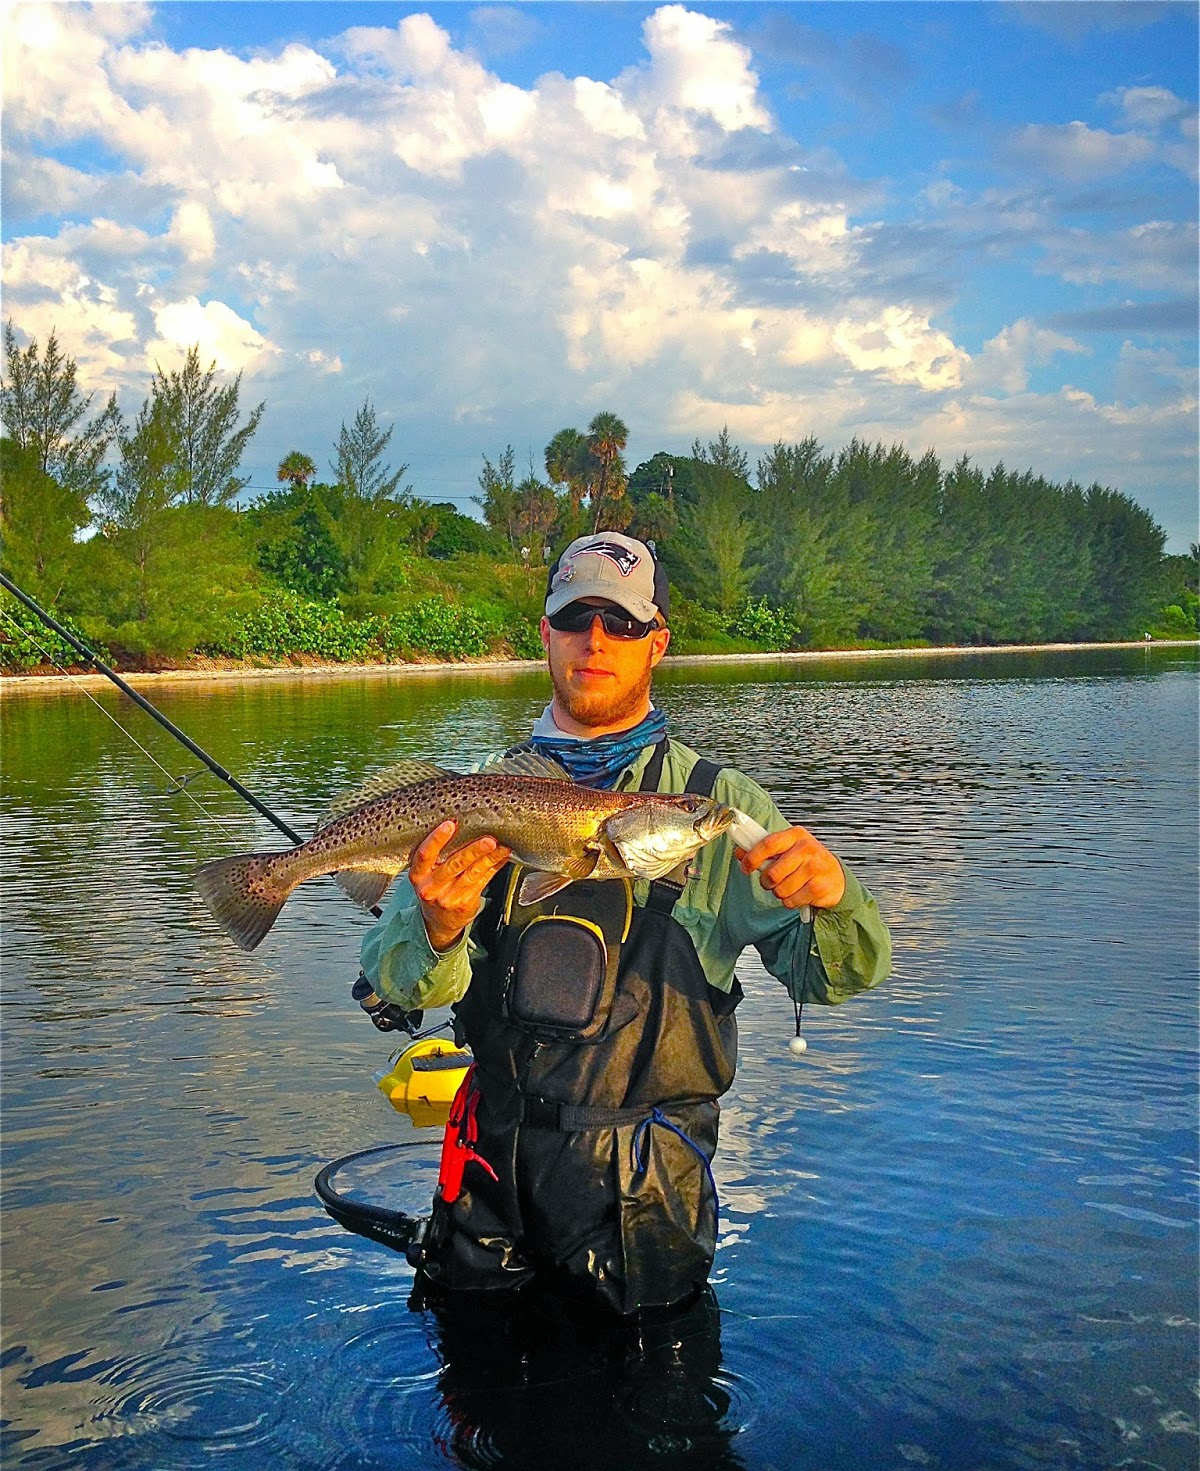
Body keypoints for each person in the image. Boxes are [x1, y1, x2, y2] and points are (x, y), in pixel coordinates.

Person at [361, 532, 890, 1316]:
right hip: (489, 1182)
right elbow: (392, 984)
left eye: (623, 622)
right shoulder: (475, 793)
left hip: (650, 1197)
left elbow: (831, 975)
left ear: (658, 644)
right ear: (546, 634)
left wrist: (834, 895)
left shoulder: (717, 805)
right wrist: (438, 929)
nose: (596, 641)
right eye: (576, 618)